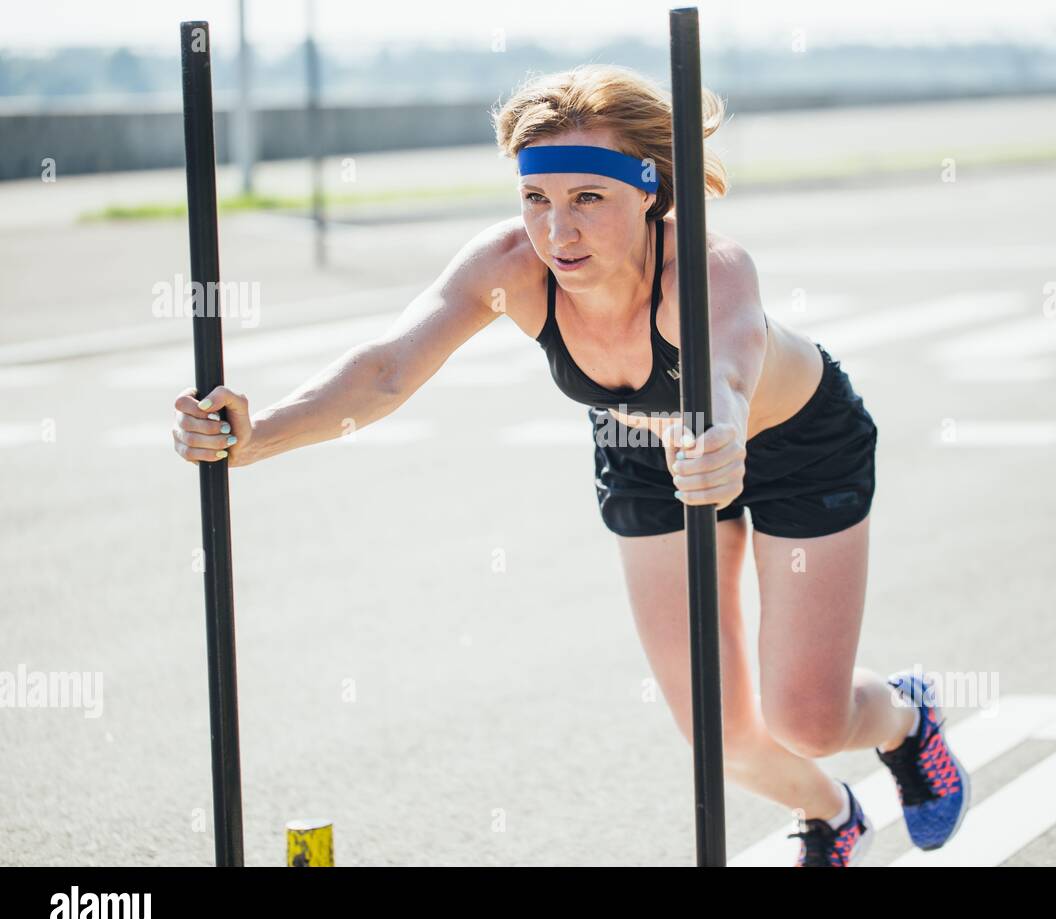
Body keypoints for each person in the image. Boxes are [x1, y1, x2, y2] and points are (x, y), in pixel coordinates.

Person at [171, 64, 969, 867]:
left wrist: (720, 442)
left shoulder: (710, 268)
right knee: (720, 737)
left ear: (650, 190)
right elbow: (386, 371)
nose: (558, 231)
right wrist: (257, 435)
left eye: (589, 197)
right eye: (537, 199)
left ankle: (906, 719)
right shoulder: (509, 266)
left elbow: (726, 374)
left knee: (808, 720)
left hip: (794, 441)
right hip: (644, 457)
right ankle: (832, 814)